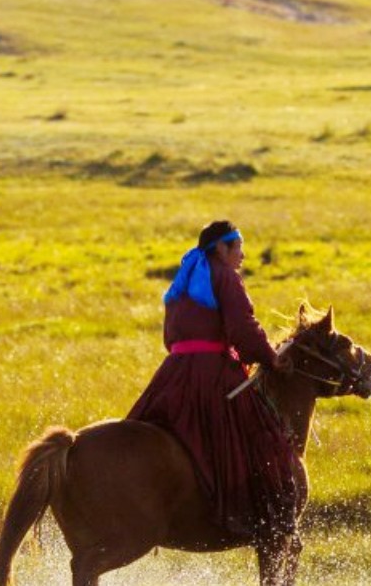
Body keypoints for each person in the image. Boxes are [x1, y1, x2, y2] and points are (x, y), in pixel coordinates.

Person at [127, 220, 301, 540]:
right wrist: (270, 358)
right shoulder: (224, 276)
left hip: (174, 370)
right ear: (221, 248)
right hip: (211, 372)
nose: (243, 255)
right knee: (260, 435)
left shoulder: (182, 279)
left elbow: (170, 336)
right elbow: (243, 327)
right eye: (239, 247)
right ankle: (262, 519)